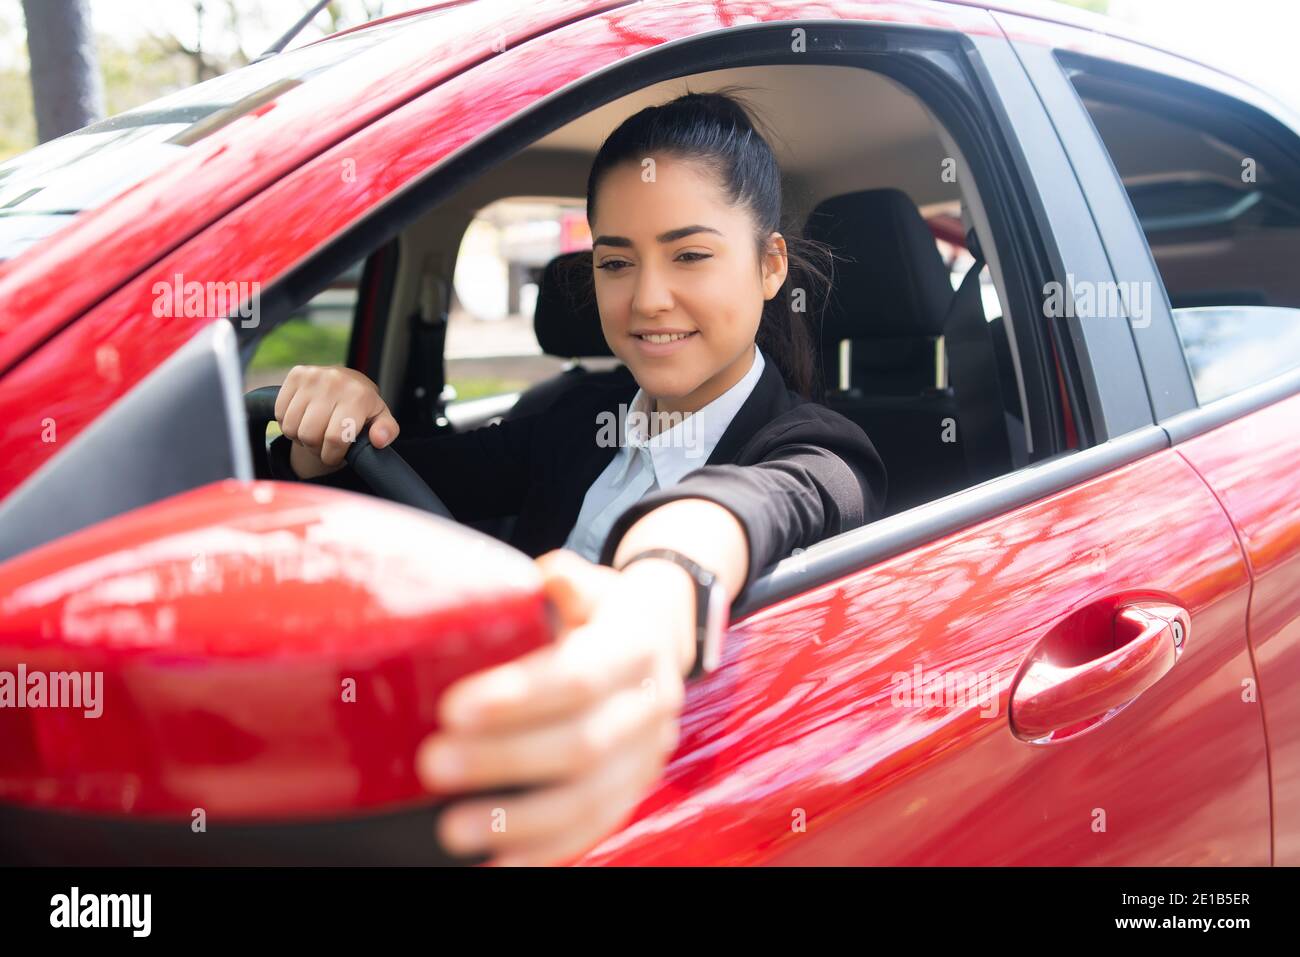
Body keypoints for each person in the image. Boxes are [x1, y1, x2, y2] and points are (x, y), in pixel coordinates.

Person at [265, 87, 887, 865]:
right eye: (616, 262)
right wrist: (333, 425)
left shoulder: (820, 446)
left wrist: (651, 608)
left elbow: (746, 507)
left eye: (690, 254)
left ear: (768, 266)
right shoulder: (575, 417)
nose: (649, 298)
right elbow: (408, 479)